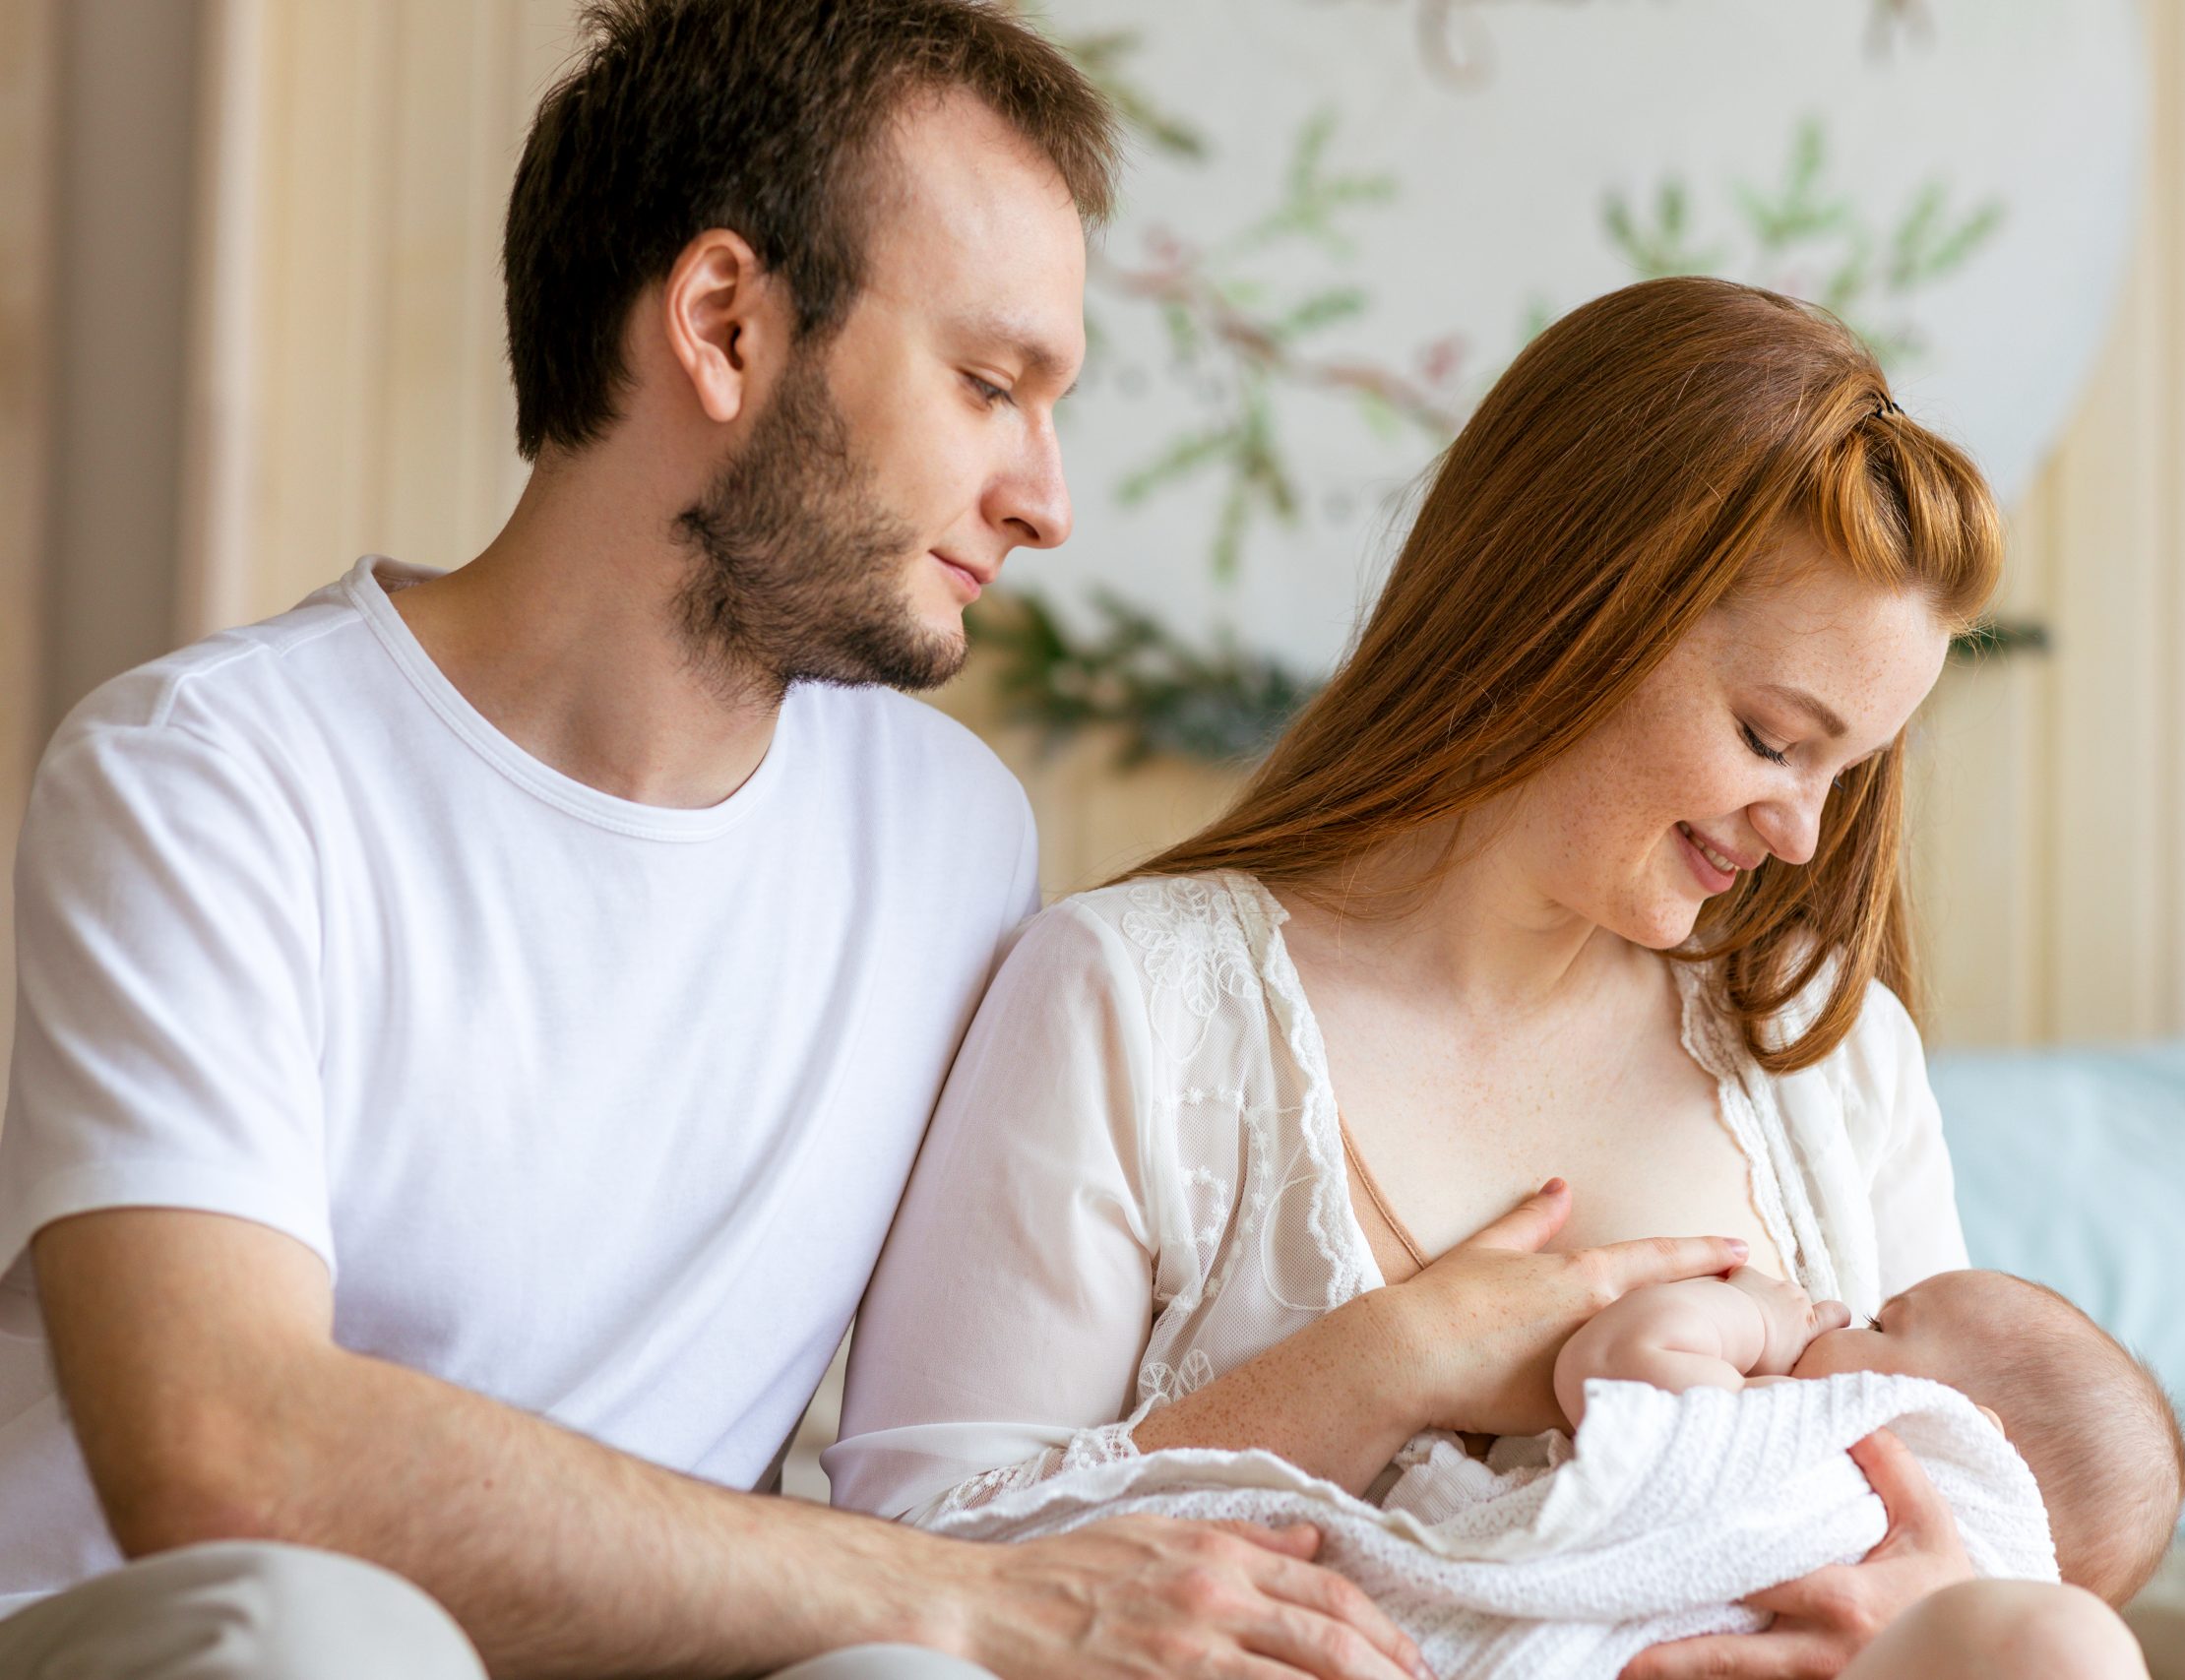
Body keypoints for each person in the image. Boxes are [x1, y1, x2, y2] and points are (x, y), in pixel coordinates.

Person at [0, 4, 1430, 1678]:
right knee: (329, 1635)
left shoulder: (950, 837)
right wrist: (955, 1594)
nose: (1044, 499)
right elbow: (222, 1452)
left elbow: (983, 1477)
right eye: (987, 385)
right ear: (725, 323)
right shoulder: (213, 778)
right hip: (218, 1644)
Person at [831, 276, 2153, 1677]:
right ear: (1568, 609)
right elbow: (911, 1584)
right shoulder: (1134, 1001)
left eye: (1848, 769)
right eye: (1772, 739)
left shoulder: (1821, 1045)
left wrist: (1927, 1606)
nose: (1802, 834)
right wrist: (1388, 1362)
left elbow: (1974, 1487)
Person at [1560, 1267, 2185, 1605]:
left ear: (1954, 1430)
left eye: (1878, 1325)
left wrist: (1755, 1320)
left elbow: (1611, 1364)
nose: (1839, 1314)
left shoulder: (1822, 1464)